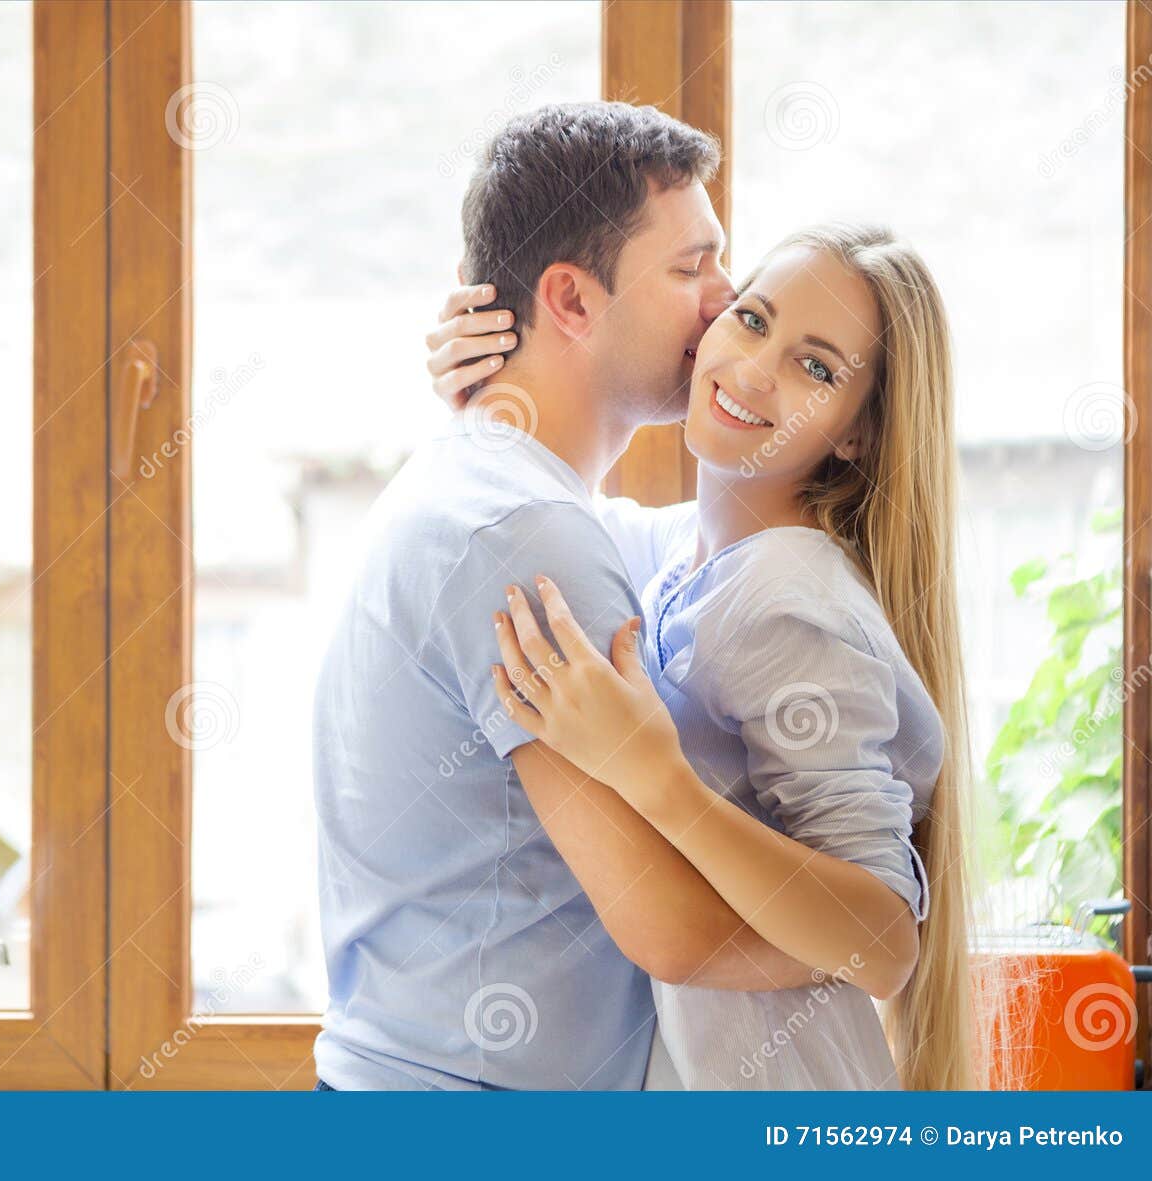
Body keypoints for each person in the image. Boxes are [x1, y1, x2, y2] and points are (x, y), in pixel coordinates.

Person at [311, 101, 823, 1092]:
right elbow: (675, 928)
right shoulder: (519, 534)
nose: (725, 302)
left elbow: (708, 544)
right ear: (571, 300)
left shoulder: (495, 491)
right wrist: (889, 934)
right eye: (690, 269)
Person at [476, 224, 987, 1089]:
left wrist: (655, 777)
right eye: (752, 320)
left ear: (856, 435)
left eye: (816, 367)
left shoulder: (790, 600)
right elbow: (547, 496)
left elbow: (883, 943)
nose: (755, 372)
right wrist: (487, 377)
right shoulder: (681, 550)